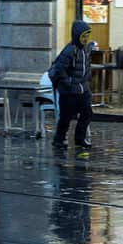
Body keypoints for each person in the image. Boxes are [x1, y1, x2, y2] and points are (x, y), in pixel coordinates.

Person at [47, 19, 94, 150]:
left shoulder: (86, 49)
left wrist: (86, 81)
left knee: (87, 113)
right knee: (66, 117)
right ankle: (59, 140)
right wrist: (69, 82)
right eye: (83, 36)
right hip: (69, 91)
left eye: (87, 36)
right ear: (77, 35)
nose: (85, 39)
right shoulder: (70, 50)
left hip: (83, 89)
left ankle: (80, 139)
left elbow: (86, 67)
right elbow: (60, 69)